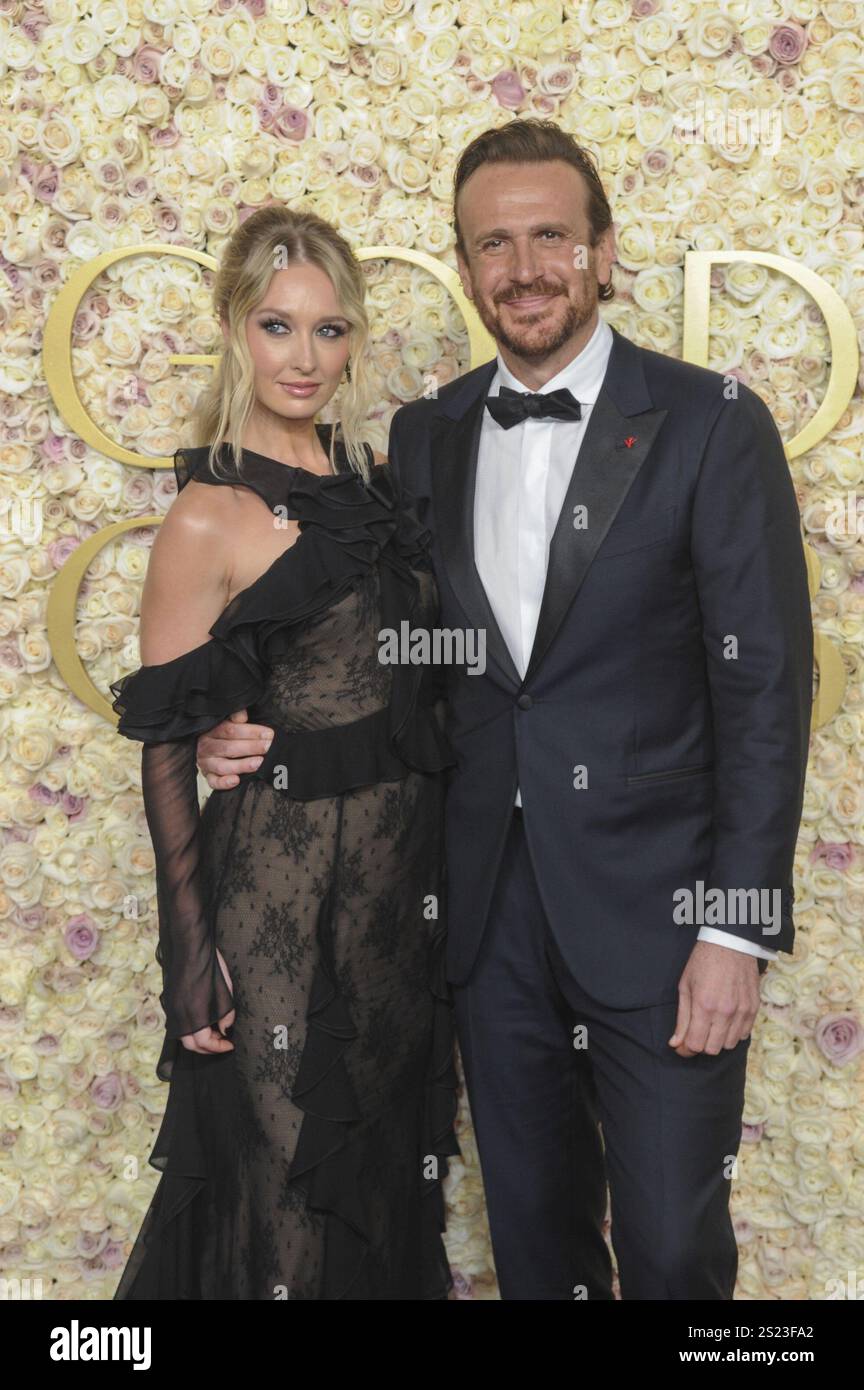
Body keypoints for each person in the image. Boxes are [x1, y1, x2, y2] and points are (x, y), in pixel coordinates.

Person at [195, 120, 813, 1300]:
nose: (524, 268)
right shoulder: (427, 437)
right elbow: (386, 654)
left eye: (551, 238)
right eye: (495, 243)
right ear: (466, 265)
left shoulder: (712, 423)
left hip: (666, 916)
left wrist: (736, 931)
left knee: (677, 1250)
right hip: (478, 914)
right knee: (536, 1242)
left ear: (604, 253)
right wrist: (243, 727)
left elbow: (766, 690)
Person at [109, 203, 460, 1300]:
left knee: (385, 1187)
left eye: (329, 329)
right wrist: (189, 963)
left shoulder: (378, 488)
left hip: (398, 907)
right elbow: (167, 749)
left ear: (355, 338)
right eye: (276, 326)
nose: (304, 357)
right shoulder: (207, 518)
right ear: (231, 329)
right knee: (289, 1195)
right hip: (277, 901)